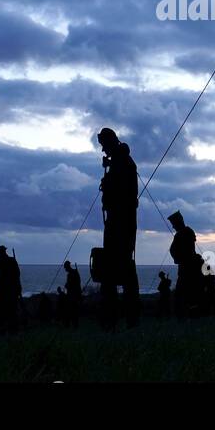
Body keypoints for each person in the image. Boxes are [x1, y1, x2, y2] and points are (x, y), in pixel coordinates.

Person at [97, 127, 140, 329]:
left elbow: (121, 192)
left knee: (120, 267)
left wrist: (108, 184)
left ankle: (121, 318)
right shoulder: (120, 161)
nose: (103, 150)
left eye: (104, 145)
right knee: (116, 267)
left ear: (111, 142)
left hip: (121, 221)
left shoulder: (123, 162)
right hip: (118, 220)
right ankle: (116, 318)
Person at [168, 211, 202, 318]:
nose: (173, 227)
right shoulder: (187, 232)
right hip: (188, 267)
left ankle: (186, 316)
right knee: (188, 294)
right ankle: (189, 315)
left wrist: (179, 258)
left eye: (174, 224)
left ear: (178, 222)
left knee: (184, 294)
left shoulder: (184, 233)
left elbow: (175, 250)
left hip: (187, 268)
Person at [0, 246, 22, 332]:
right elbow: (17, 274)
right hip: (12, 289)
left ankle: (6, 328)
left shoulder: (1, 262)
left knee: (5, 310)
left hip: (5, 291)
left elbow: (17, 274)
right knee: (12, 310)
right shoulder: (12, 260)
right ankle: (12, 328)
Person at [64, 261, 83, 326]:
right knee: (74, 310)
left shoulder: (71, 274)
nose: (65, 269)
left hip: (73, 295)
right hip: (74, 295)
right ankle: (73, 324)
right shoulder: (74, 272)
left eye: (65, 268)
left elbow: (72, 284)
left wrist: (67, 286)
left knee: (72, 310)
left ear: (67, 267)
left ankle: (72, 324)